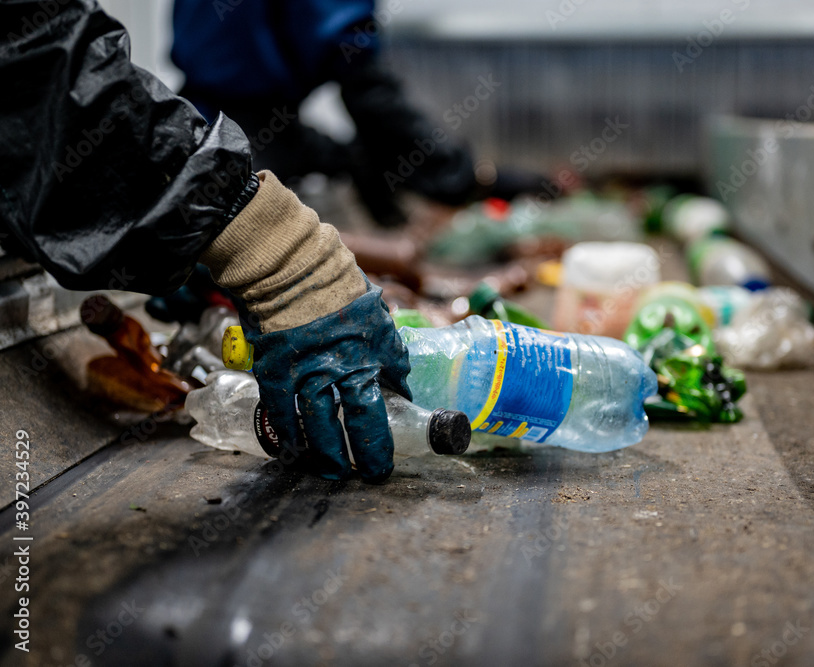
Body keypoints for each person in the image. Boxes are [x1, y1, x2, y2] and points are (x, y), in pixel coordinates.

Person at [0, 0, 408, 483]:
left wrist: (185, 236)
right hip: (222, 129)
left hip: (209, 120)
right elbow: (30, 64)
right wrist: (270, 245)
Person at [171, 0, 512, 227]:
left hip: (196, 123)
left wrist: (357, 162)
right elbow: (366, 87)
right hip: (245, 141)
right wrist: (466, 177)